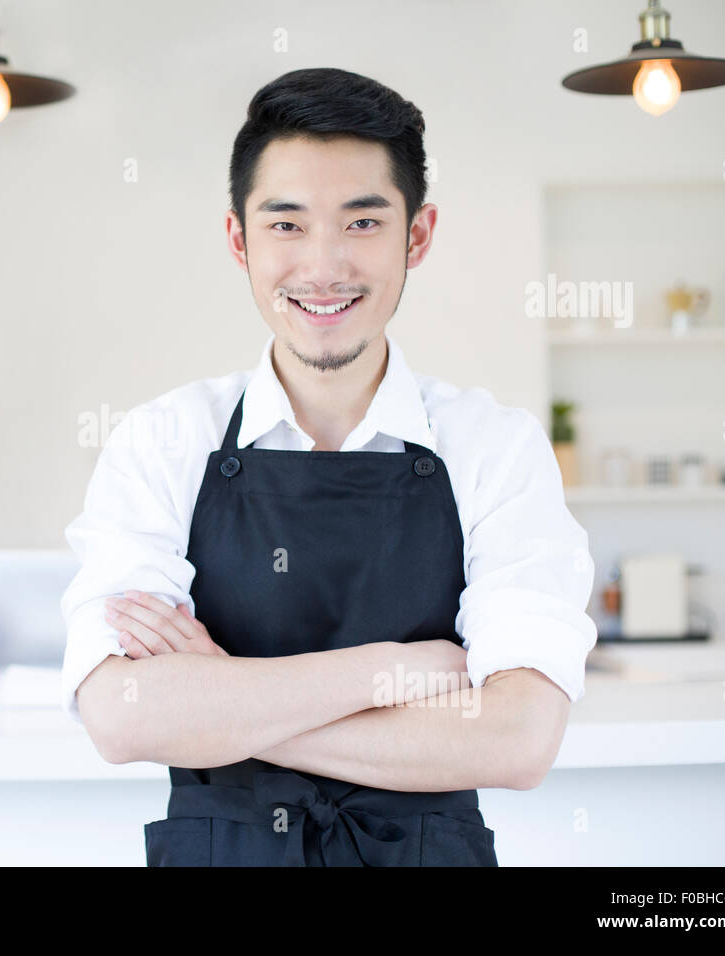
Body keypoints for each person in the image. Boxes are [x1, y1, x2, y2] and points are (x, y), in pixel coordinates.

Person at [59, 68, 597, 866]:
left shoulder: (495, 447)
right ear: (239, 238)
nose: (323, 266)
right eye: (286, 226)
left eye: (361, 222)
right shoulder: (162, 441)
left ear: (417, 235)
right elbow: (122, 716)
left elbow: (518, 739)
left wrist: (227, 692)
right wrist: (395, 670)